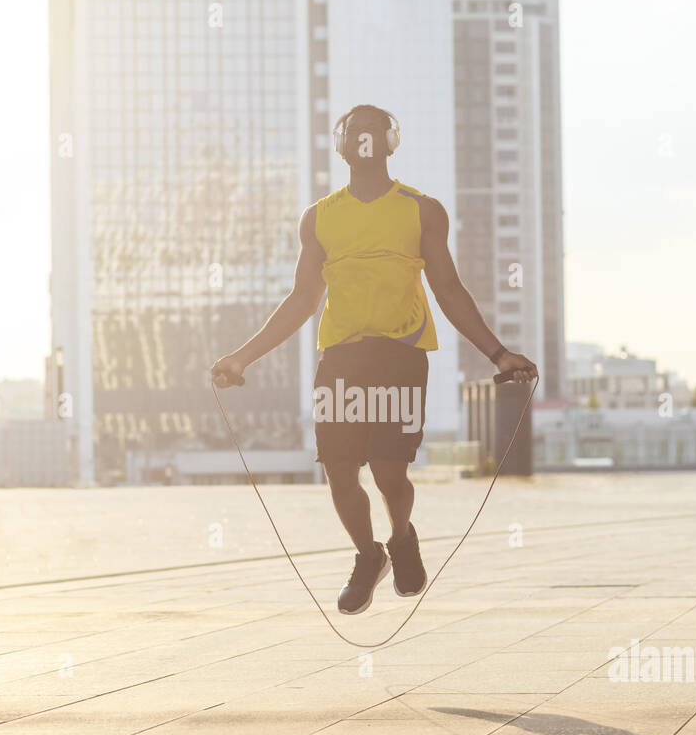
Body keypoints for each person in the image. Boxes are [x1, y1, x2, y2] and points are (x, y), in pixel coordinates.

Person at [211, 104, 536, 615]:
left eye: (372, 132)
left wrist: (497, 353)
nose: (363, 140)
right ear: (343, 145)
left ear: (389, 142)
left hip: (400, 356)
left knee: (388, 473)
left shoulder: (421, 209)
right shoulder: (319, 217)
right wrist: (241, 357)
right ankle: (369, 556)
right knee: (339, 469)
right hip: (340, 358)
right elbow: (302, 300)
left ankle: (402, 539)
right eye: (354, 133)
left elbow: (448, 288)